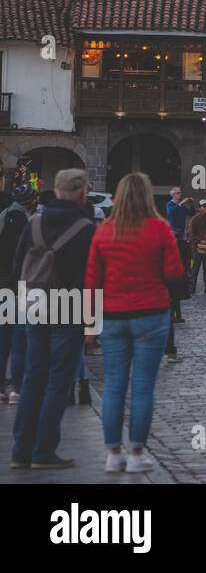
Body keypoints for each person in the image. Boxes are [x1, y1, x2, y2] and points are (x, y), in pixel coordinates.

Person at [85, 172, 185, 474]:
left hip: (113, 316)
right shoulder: (159, 229)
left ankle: (113, 452)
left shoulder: (104, 231)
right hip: (150, 313)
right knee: (143, 387)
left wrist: (89, 325)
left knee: (114, 386)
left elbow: (91, 281)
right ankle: (138, 451)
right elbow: (175, 273)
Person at [8, 169, 96, 471]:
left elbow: (17, 267)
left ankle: (21, 450)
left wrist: (24, 303)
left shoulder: (34, 222)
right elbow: (91, 278)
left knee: (33, 375)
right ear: (82, 193)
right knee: (59, 380)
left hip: (35, 302)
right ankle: (44, 449)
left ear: (56, 190)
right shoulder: (85, 226)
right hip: (68, 305)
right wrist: (91, 324)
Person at [0, 185, 37, 406]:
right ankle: (16, 387)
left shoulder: (4, 216)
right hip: (18, 286)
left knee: (3, 337)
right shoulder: (23, 221)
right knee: (17, 338)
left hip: (3, 285)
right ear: (30, 201)